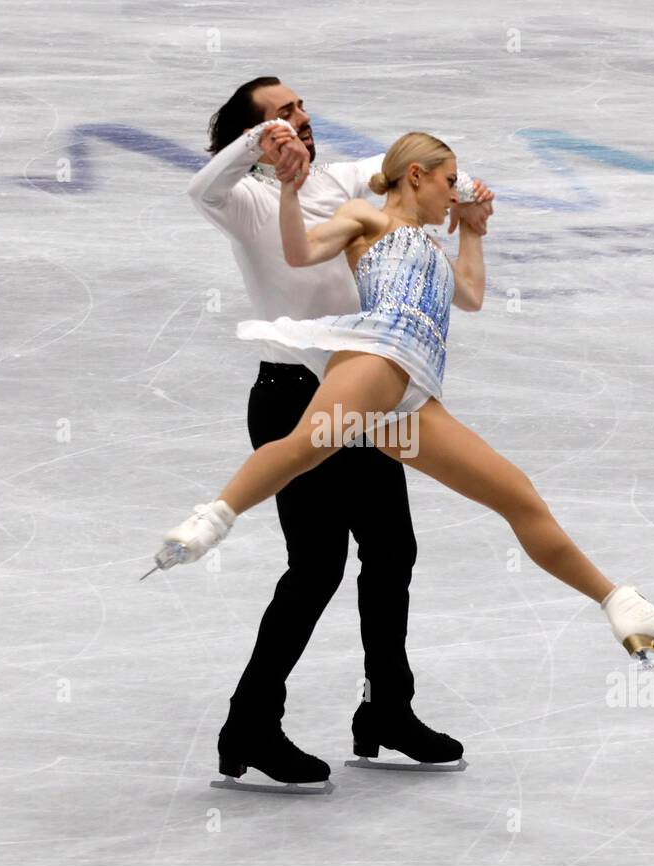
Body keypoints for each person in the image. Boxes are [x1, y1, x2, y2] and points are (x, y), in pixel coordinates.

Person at [161, 130, 654, 747]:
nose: (456, 191)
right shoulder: (363, 216)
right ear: (418, 175)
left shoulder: (432, 242)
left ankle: (619, 603)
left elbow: (472, 295)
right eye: (450, 181)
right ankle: (208, 522)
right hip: (377, 354)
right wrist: (292, 191)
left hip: (415, 392)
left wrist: (474, 228)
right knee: (306, 446)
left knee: (517, 495)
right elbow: (297, 253)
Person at [183, 78, 496, 789]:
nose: (300, 117)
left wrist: (473, 193)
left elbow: (415, 167)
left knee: (392, 550)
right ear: (255, 137)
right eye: (280, 115)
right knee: (317, 568)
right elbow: (198, 189)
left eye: (299, 108)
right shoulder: (247, 198)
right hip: (294, 398)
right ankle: (249, 724)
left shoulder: (345, 178)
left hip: (364, 392)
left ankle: (387, 710)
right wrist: (255, 149)